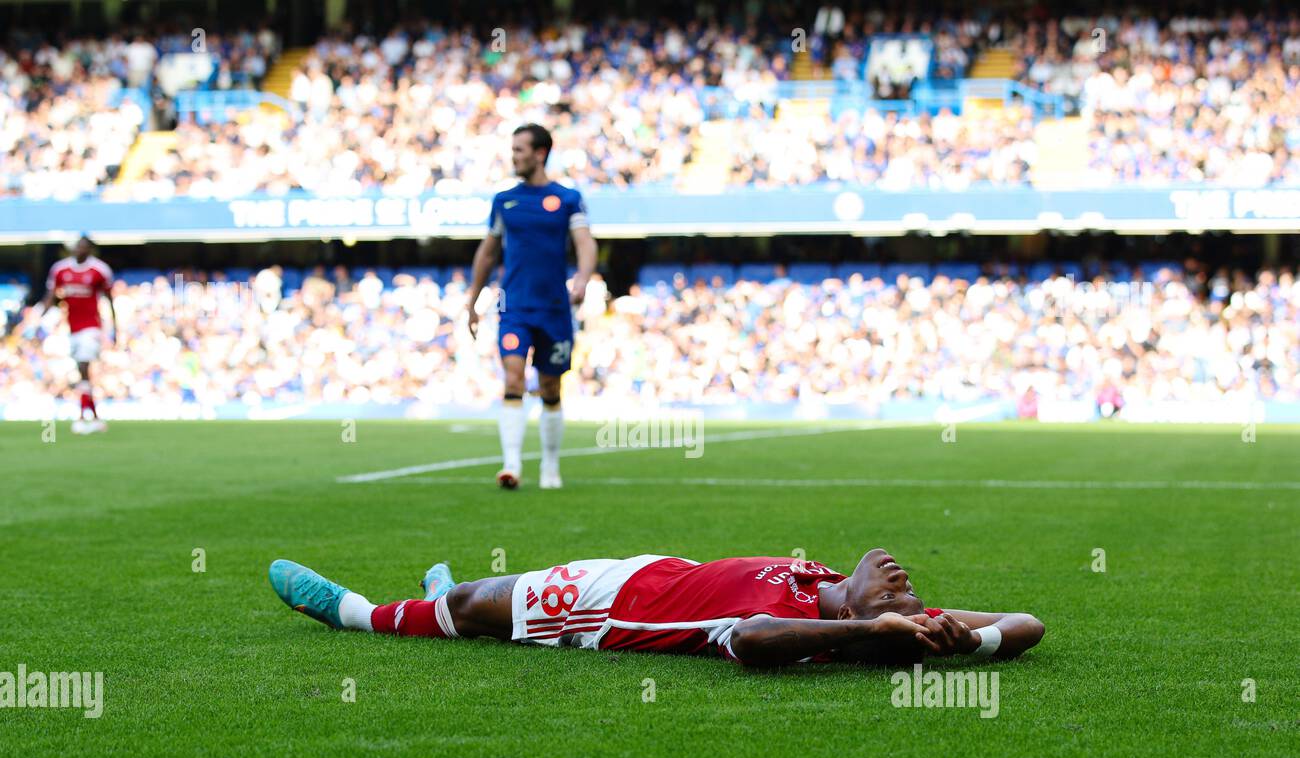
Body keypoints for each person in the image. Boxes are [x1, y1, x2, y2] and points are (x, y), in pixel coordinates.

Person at [268, 549, 1044, 668]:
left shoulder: (823, 625)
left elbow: (751, 639)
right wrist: (968, 643)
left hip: (612, 608)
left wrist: (877, 632)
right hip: (645, 566)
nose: (906, 582)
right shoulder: (830, 582)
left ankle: (356, 612)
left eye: (903, 593)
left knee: (476, 604)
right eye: (905, 590)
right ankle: (439, 601)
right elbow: (1026, 623)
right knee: (475, 602)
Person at [465, 123, 598, 490]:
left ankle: (550, 466)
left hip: (555, 309)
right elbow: (488, 251)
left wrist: (584, 278)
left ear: (540, 153)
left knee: (551, 387)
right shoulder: (504, 201)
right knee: (512, 376)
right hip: (514, 308)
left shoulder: (568, 198)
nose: (514, 156)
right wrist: (473, 298)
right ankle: (511, 465)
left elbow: (585, 243)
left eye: (520, 150)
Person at [34, 236, 116, 433]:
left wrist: (115, 330)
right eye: (78, 247)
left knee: (84, 367)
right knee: (82, 374)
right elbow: (51, 296)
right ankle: (94, 418)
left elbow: (109, 300)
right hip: (72, 329)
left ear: (90, 250)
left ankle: (81, 418)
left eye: (85, 247)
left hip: (92, 327)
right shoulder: (60, 270)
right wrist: (37, 321)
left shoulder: (99, 270)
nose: (81, 250)